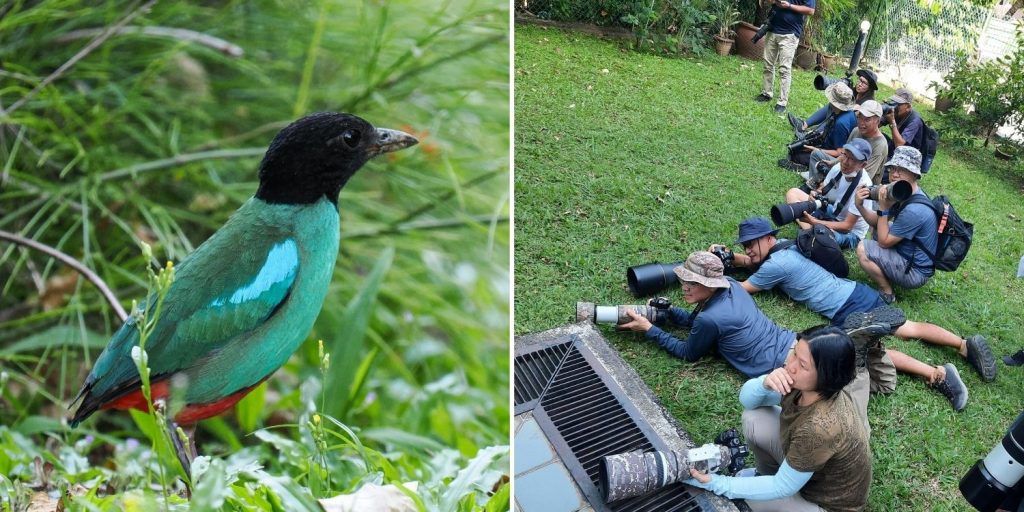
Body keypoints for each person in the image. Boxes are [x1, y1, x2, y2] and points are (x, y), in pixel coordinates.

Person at [713, 217, 996, 394]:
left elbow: (742, 289)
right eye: (744, 244)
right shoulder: (787, 247)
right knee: (907, 328)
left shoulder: (776, 265)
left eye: (752, 243)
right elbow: (753, 261)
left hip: (847, 307)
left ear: (768, 238)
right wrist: (733, 257)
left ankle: (937, 372)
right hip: (855, 293)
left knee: (867, 351)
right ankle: (962, 344)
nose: (748, 249)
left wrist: (712, 272)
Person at [685, 326, 870, 512]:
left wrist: (718, 483)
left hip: (823, 503)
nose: (791, 365)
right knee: (754, 417)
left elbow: (782, 487)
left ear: (826, 376)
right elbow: (748, 401)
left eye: (803, 364)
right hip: (808, 472)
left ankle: (770, 489)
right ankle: (765, 474)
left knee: (745, 503)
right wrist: (763, 384)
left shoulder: (820, 426)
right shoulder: (807, 385)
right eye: (795, 352)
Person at [619, 251, 794, 378]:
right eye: (683, 280)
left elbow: (687, 352)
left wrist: (649, 329)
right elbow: (692, 321)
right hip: (792, 341)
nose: (684, 287)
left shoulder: (709, 319)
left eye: (693, 283)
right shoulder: (731, 284)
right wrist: (670, 311)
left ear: (711, 285)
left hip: (783, 366)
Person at [854, 146, 937, 301]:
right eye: (892, 168)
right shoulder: (904, 192)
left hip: (915, 272)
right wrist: (860, 206)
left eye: (902, 170)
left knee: (863, 249)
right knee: (881, 226)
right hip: (909, 253)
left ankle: (887, 292)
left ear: (914, 174)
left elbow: (884, 242)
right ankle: (888, 269)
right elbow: (878, 223)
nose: (895, 174)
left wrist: (884, 208)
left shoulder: (914, 210)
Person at [783, 139, 874, 249]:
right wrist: (814, 194)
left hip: (851, 233)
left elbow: (847, 226)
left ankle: (812, 229)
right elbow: (823, 190)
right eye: (845, 155)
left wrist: (815, 222)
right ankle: (811, 230)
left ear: (863, 165)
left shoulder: (864, 188)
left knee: (826, 234)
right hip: (833, 213)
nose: (845, 162)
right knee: (792, 193)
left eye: (852, 159)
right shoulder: (838, 168)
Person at [805, 100, 888, 185]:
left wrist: (840, 170)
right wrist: (832, 163)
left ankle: (825, 186)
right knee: (816, 154)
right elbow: (844, 154)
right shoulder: (856, 130)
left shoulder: (880, 144)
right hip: (846, 167)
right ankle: (816, 184)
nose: (862, 123)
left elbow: (866, 175)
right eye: (860, 117)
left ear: (877, 121)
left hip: (859, 183)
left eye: (867, 120)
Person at [755, 0, 816, 114]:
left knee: (784, 69)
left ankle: (782, 102)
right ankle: (766, 93)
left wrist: (789, 6)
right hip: (772, 28)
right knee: (768, 64)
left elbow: (810, 10)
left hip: (790, 33)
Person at [778, 82, 856, 172]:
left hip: (836, 155)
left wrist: (815, 150)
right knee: (798, 146)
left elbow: (839, 152)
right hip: (828, 143)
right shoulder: (846, 112)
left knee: (796, 156)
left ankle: (805, 167)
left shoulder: (841, 123)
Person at [788, 69, 878, 133]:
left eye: (864, 83)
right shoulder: (852, 92)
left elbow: (860, 119)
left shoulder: (869, 102)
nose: (859, 84)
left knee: (840, 112)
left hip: (849, 127)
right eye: (859, 80)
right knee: (833, 105)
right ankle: (804, 124)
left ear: (870, 88)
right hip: (841, 120)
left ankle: (813, 134)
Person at [882, 87, 932, 174]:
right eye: (894, 101)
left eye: (898, 104)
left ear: (908, 107)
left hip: (906, 157)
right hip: (894, 148)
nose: (895, 106)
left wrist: (892, 122)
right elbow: (876, 125)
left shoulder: (915, 121)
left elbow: (900, 145)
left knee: (882, 170)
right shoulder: (895, 111)